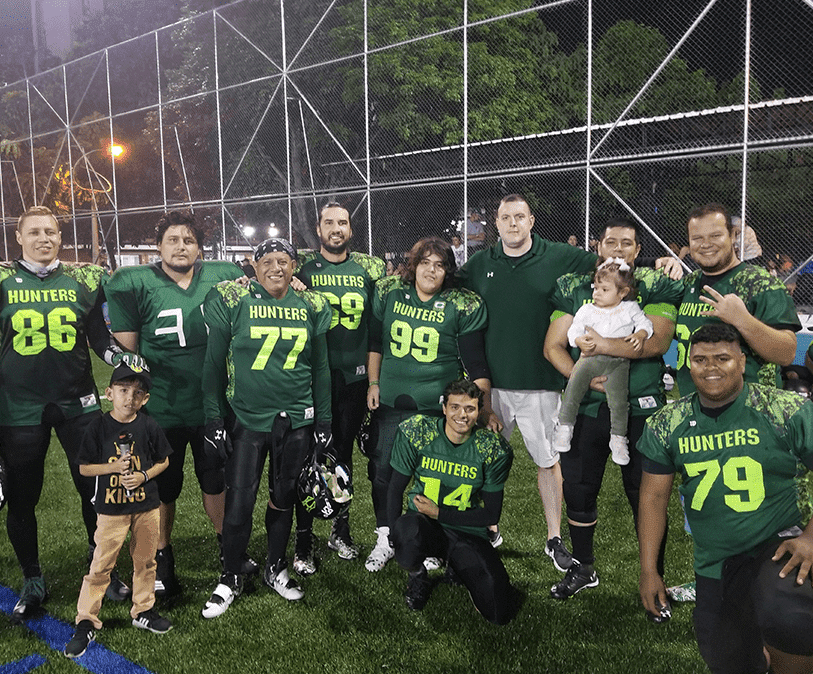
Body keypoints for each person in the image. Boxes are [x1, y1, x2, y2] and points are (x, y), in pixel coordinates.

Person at [638, 324, 813, 674]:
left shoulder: (784, 409)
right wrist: (648, 570)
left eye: (722, 358)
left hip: (778, 542)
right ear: (688, 363)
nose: (711, 367)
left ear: (743, 361)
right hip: (716, 559)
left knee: (789, 618)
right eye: (700, 359)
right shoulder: (666, 423)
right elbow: (653, 498)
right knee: (726, 657)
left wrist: (810, 537)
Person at [105, 211, 252, 597]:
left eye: (188, 240)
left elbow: (263, 293)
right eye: (173, 239)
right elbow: (127, 354)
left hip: (211, 405)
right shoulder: (135, 282)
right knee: (164, 488)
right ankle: (162, 559)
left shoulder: (222, 275)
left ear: (200, 247)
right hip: (162, 407)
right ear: (158, 246)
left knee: (215, 480)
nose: (181, 246)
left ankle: (228, 549)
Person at [0, 205, 136, 620]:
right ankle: (33, 577)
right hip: (18, 408)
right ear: (19, 238)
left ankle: (104, 571)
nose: (44, 238)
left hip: (78, 402)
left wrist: (126, 359)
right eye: (35, 232)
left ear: (60, 237)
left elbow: (99, 338)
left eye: (52, 232)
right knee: (23, 498)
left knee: (93, 491)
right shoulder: (3, 280)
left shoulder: (84, 279)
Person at [457, 194, 597, 571]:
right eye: (505, 218)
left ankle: (554, 538)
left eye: (520, 217)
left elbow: (608, 266)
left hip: (541, 383)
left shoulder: (557, 256)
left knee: (548, 462)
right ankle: (487, 527)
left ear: (532, 221)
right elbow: (440, 283)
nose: (513, 224)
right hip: (492, 386)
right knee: (484, 459)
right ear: (497, 224)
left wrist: (661, 264)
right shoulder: (480, 263)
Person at [544, 219, 683, 599]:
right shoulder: (578, 288)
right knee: (578, 489)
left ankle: (652, 576)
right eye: (611, 242)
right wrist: (581, 377)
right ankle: (583, 568)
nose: (618, 249)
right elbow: (554, 345)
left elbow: (655, 343)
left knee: (645, 494)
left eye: (627, 243)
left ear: (638, 251)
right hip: (588, 405)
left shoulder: (653, 284)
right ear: (598, 246)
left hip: (639, 407)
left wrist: (600, 345)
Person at [200, 238, 333, 618]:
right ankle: (230, 575)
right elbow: (212, 366)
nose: (277, 267)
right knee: (240, 500)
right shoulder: (233, 299)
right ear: (254, 267)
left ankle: (276, 566)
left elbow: (321, 368)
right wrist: (213, 416)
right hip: (248, 417)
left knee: (284, 496)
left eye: (284, 260)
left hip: (296, 419)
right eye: (268, 261)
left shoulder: (311, 303)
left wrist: (323, 419)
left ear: (295, 266)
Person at [365, 236, 497, 572]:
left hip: (436, 406)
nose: (431, 270)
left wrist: (485, 408)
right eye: (425, 262)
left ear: (447, 272)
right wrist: (373, 383)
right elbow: (375, 343)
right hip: (393, 399)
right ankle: (385, 536)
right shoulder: (389, 291)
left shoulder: (461, 304)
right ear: (414, 265)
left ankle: (431, 538)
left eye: (439, 265)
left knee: (435, 476)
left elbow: (476, 363)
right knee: (383, 472)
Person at [292, 202, 386, 574]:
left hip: (353, 376)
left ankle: (339, 529)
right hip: (312, 377)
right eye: (329, 222)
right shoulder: (301, 267)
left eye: (342, 223)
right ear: (318, 229)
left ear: (350, 229)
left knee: (342, 458)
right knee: (306, 460)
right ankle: (302, 540)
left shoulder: (367, 268)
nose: (336, 228)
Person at [64, 362, 172, 659]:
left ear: (145, 399)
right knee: (101, 565)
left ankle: (144, 610)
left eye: (138, 393)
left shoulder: (148, 424)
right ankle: (86, 619)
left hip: (146, 505)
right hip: (111, 508)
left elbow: (164, 460)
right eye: (123, 390)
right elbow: (85, 468)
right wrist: (112, 467)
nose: (130, 398)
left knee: (146, 561)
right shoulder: (98, 426)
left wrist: (144, 475)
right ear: (109, 393)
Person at [387, 378, 514, 624]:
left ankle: (457, 566)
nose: (462, 415)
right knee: (406, 533)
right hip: (423, 526)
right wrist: (395, 537)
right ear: (444, 408)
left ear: (479, 412)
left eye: (470, 409)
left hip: (466, 530)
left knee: (499, 612)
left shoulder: (491, 449)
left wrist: (439, 513)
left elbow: (491, 516)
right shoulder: (419, 433)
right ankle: (418, 575)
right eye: (455, 407)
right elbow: (394, 489)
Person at [674, 203, 799, 396]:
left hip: (750, 415)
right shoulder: (686, 284)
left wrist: (743, 320)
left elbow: (786, 353)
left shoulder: (761, 284)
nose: (705, 244)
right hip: (694, 414)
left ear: (733, 236)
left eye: (715, 236)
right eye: (697, 238)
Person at [554, 258, 654, 466]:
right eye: (595, 288)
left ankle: (618, 438)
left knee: (619, 403)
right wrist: (578, 340)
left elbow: (645, 323)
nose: (596, 293)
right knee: (573, 389)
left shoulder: (630, 308)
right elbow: (574, 330)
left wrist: (641, 334)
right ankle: (565, 426)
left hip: (618, 363)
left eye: (604, 289)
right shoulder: (587, 310)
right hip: (588, 359)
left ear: (623, 292)